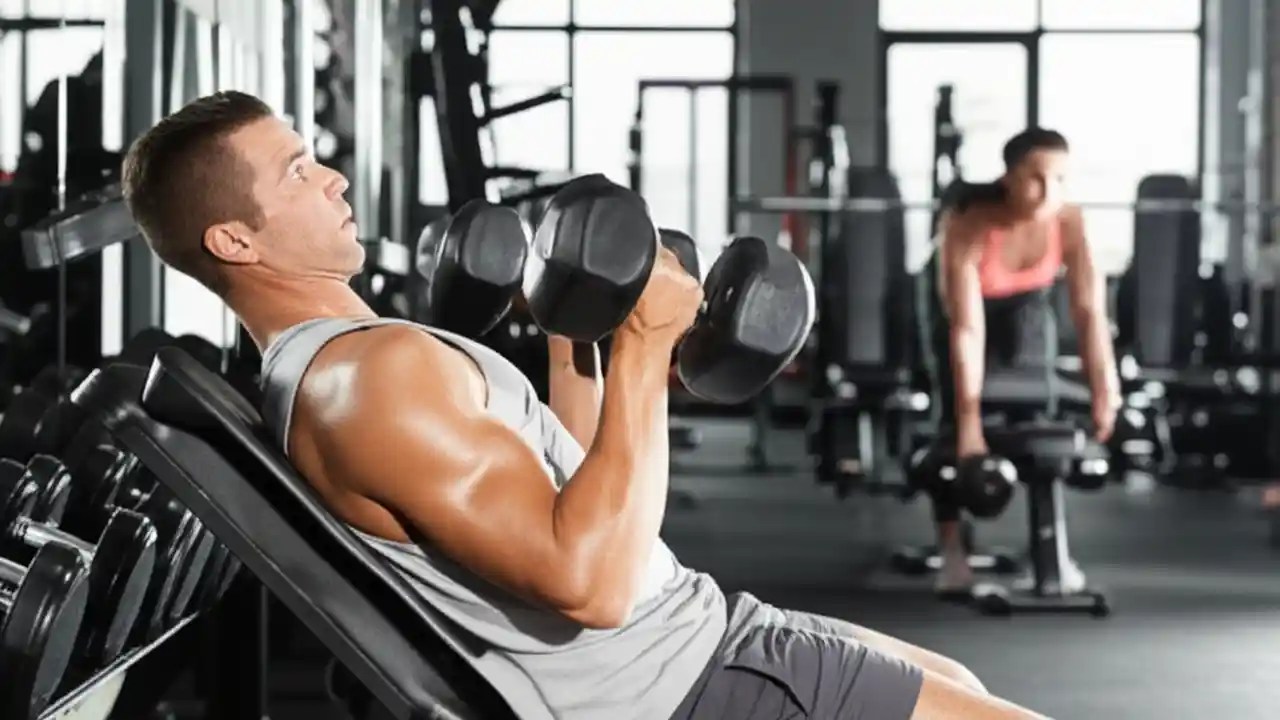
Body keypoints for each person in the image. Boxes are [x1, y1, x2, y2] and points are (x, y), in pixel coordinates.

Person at [121, 91, 1048, 720]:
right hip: (671, 684)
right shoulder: (371, 381)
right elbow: (591, 583)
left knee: (953, 679)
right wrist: (646, 345)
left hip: (692, 632)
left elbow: (558, 478)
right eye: (294, 173)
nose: (332, 179)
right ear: (234, 238)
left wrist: (578, 334)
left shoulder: (351, 365)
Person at [929, 128, 1122, 594]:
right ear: (1010, 178)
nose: (1049, 192)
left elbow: (1090, 312)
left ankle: (1051, 548)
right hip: (963, 319)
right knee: (953, 431)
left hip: (1027, 320)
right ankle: (953, 552)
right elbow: (967, 330)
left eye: (1060, 179)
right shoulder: (969, 225)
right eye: (1036, 178)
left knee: (1042, 409)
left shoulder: (1069, 222)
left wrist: (1105, 390)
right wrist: (971, 426)